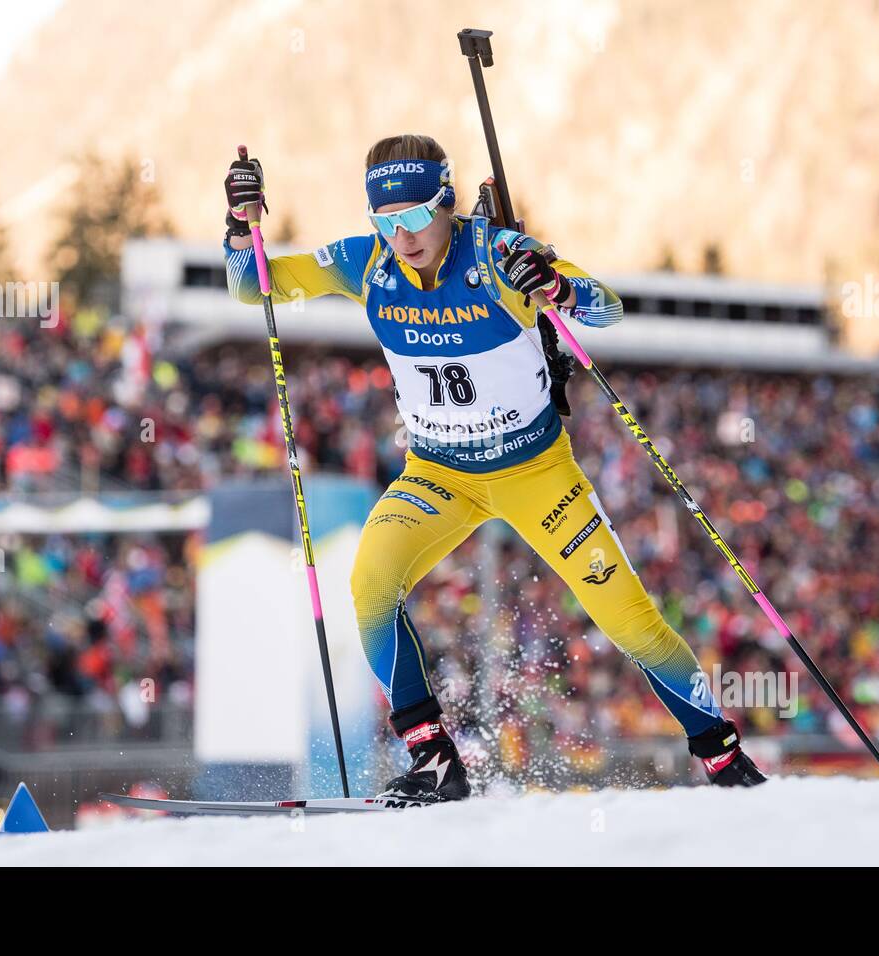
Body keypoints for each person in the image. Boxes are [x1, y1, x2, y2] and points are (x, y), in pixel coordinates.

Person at [223, 133, 765, 799]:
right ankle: (435, 760)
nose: (404, 234)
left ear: (446, 202)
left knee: (627, 619)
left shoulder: (497, 253)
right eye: (386, 221)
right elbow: (255, 286)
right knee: (370, 585)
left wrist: (557, 285)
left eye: (417, 214)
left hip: (534, 472)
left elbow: (606, 307)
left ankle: (720, 755)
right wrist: (238, 224)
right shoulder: (364, 265)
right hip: (438, 473)